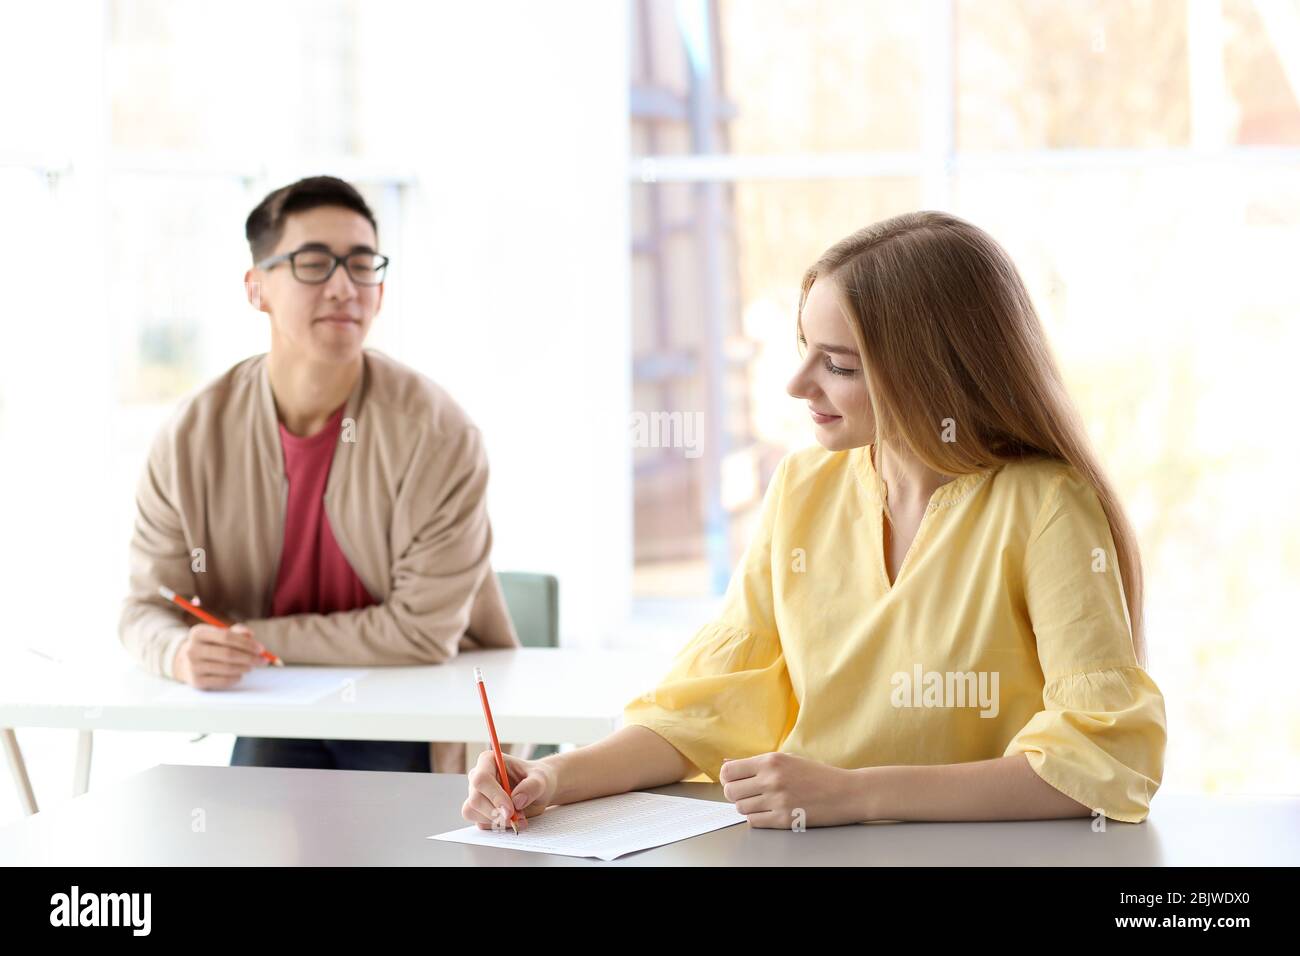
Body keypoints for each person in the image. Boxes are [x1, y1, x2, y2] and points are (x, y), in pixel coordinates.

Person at [462, 210, 1166, 828]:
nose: (798, 386)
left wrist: (855, 796)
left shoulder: (1044, 507)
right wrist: (554, 778)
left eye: (839, 366)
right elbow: (703, 709)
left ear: (934, 376)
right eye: (804, 350)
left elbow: (1100, 757)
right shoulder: (804, 487)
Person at [120, 175, 520, 773]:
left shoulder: (439, 434)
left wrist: (247, 638)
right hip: (272, 707)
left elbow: (420, 634)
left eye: (363, 265)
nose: (343, 286)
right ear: (257, 288)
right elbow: (146, 607)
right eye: (314, 264)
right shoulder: (189, 438)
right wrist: (179, 650)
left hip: (415, 707)